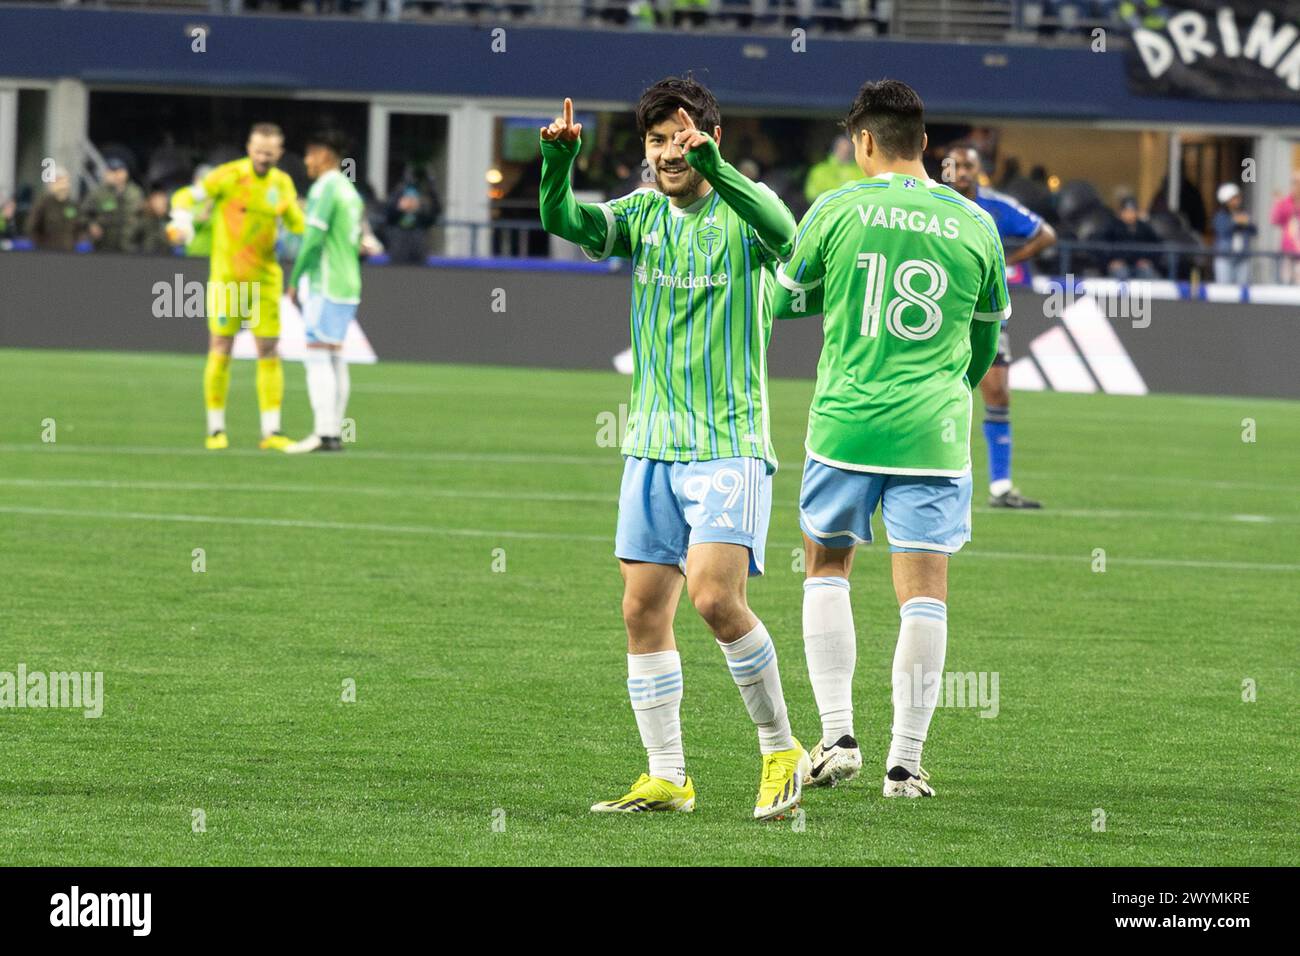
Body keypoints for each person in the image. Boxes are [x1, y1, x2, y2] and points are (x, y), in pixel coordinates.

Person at [538, 80, 806, 821]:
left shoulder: (742, 213)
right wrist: (557, 165)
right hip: (651, 445)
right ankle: (667, 775)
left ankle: (781, 747)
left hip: (728, 445)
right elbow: (562, 219)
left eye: (680, 139)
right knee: (640, 611)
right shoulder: (642, 214)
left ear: (710, 139)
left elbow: (788, 232)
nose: (665, 155)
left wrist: (718, 168)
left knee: (716, 598)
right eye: (655, 142)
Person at [773, 79, 1007, 798]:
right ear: (926, 145)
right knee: (924, 593)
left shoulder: (839, 207)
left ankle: (838, 733)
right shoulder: (975, 223)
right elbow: (986, 340)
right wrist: (944, 392)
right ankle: (905, 763)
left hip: (847, 421)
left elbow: (781, 301)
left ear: (863, 142)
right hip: (933, 432)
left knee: (826, 567)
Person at [167, 123, 305, 450]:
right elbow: (184, 196)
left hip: (265, 280)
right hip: (228, 279)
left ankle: (271, 431)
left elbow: (299, 227)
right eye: (258, 150)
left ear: (279, 154)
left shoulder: (282, 184)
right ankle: (216, 429)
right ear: (249, 147)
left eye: (270, 153)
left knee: (269, 350)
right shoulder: (226, 176)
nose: (263, 157)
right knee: (221, 346)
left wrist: (296, 216)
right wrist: (181, 221)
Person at [946, 144, 1055, 509]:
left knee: (997, 392)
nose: (962, 171)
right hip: (938, 312)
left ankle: (1000, 487)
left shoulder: (996, 207)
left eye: (969, 166)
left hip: (986, 311)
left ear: (979, 170)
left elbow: (1046, 234)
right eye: (956, 165)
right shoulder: (931, 202)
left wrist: (1009, 258)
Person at [284, 131, 366, 454]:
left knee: (317, 355)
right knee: (334, 354)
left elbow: (313, 239)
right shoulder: (350, 190)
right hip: (349, 282)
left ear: (325, 155)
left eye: (310, 153)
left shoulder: (325, 188)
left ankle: (324, 432)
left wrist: (295, 277)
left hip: (328, 281)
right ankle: (333, 432)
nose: (307, 161)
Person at [82, 157, 145, 253]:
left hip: (129, 245)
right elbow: (84, 213)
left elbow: (143, 215)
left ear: (126, 173)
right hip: (104, 245)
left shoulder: (135, 193)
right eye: (112, 171)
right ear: (106, 174)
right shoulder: (98, 193)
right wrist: (92, 225)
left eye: (119, 171)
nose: (116, 175)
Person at [1102, 196, 1162, 279]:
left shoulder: (1144, 228)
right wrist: (1110, 262)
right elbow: (1101, 247)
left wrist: (1149, 260)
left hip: (1139, 265)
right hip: (1120, 266)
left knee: (1148, 273)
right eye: (1126, 211)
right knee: (1121, 274)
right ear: (1120, 212)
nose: (1129, 214)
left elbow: (1156, 246)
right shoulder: (1112, 227)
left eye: (1132, 211)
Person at [26, 168, 84, 252]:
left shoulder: (73, 205)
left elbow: (80, 227)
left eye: (65, 181)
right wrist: (40, 246)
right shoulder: (43, 203)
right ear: (52, 184)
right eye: (59, 181)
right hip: (48, 253)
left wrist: (75, 242)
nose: (63, 186)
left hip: (69, 252)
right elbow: (32, 227)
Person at [168, 164, 215, 258]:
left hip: (215, 258)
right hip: (190, 257)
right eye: (204, 180)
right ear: (196, 179)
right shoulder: (184, 196)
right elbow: (176, 230)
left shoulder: (219, 200)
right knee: (179, 271)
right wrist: (204, 212)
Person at [1212, 183, 1255, 286]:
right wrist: (1235, 222)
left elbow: (1254, 230)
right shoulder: (1220, 216)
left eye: (1237, 197)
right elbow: (1222, 230)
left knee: (1242, 289)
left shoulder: (1243, 214)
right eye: (1233, 198)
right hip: (1225, 258)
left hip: (1242, 258)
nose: (1237, 200)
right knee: (1225, 290)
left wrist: (1246, 222)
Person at [804, 135, 860, 205]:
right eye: (841, 149)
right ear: (835, 149)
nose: (845, 152)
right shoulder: (819, 171)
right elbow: (811, 195)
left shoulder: (861, 171)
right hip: (827, 211)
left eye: (848, 149)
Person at [1269, 170, 1300, 284]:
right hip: (1288, 250)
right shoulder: (1286, 202)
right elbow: (1275, 220)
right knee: (1286, 283)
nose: (1297, 186)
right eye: (1295, 183)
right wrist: (1277, 204)